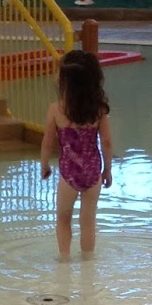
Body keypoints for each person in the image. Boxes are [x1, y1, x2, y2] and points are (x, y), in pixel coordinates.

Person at [40, 50, 113, 260]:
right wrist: (107, 170)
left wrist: (44, 165)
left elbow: (47, 142)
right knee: (88, 221)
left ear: (65, 82)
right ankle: (88, 259)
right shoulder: (98, 110)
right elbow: (106, 143)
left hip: (68, 173)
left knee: (63, 219)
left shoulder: (56, 110)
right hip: (92, 172)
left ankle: (64, 258)